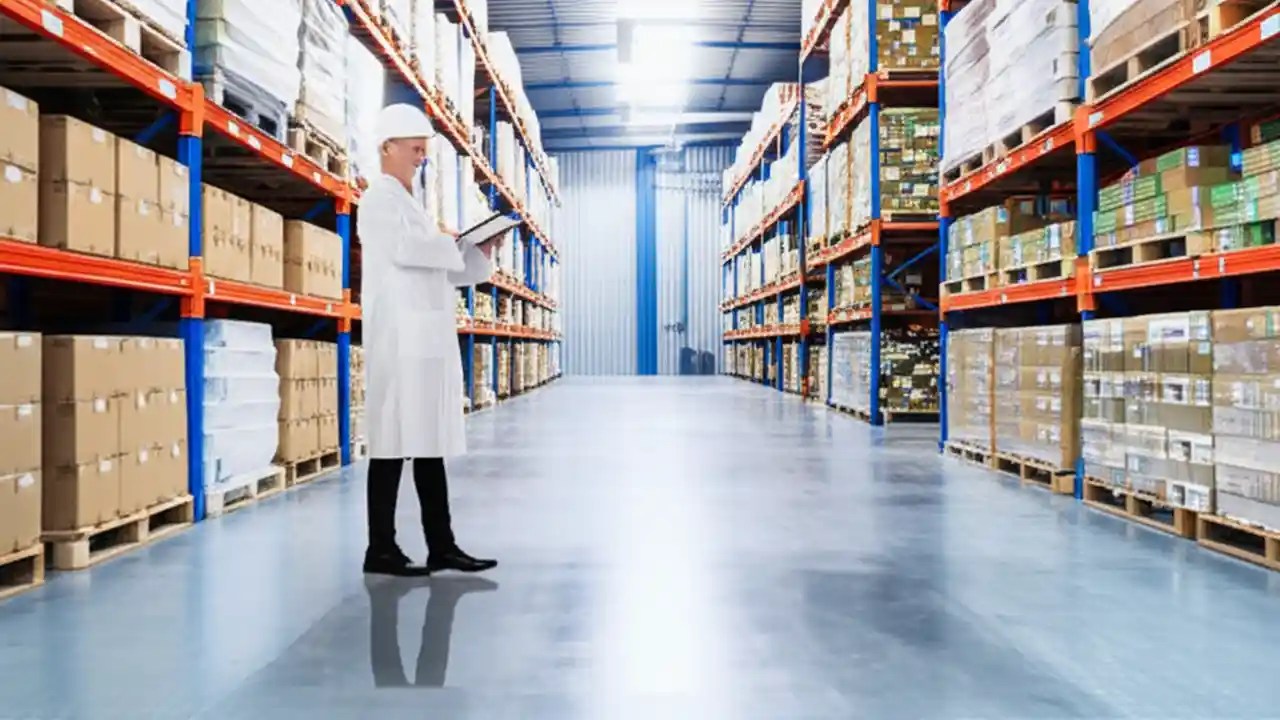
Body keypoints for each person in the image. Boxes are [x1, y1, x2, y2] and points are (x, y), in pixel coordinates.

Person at [358, 103, 499, 577]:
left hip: (423, 342)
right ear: (387, 147)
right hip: (397, 341)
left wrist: (477, 253)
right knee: (392, 444)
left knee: (427, 441)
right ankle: (381, 549)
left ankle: (442, 546)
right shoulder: (378, 198)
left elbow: (445, 268)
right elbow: (405, 252)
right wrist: (451, 244)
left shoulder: (412, 206)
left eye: (424, 148)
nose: (422, 155)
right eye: (415, 147)